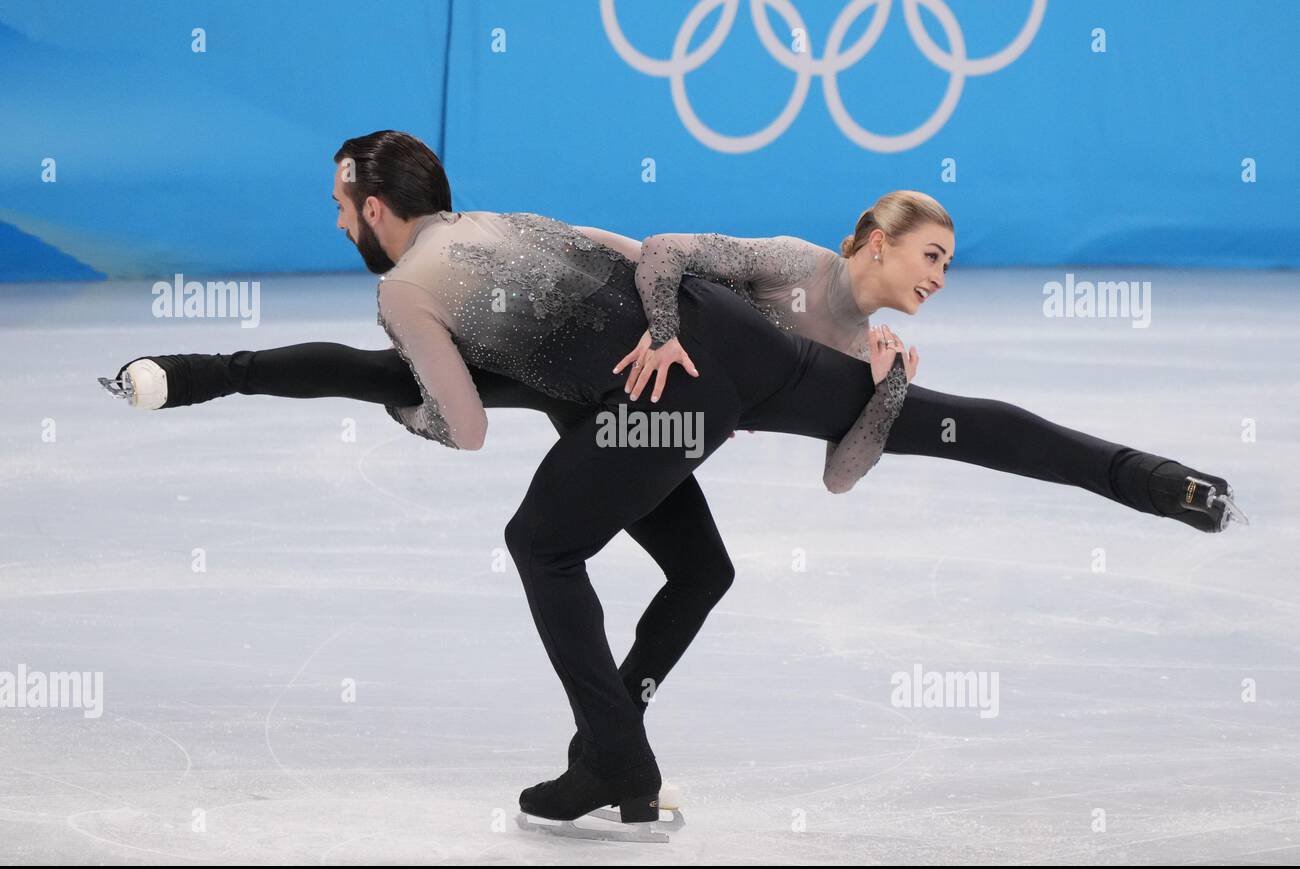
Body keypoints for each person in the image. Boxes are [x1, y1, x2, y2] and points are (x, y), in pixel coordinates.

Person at [100, 130, 1244, 826]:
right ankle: (1149, 478)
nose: (338, 218)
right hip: (723, 349)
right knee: (733, 540)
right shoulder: (498, 219)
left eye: (339, 204)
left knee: (540, 543)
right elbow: (619, 244)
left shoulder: (408, 290)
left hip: (659, 397)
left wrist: (416, 413)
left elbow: (458, 421)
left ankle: (618, 756)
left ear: (371, 208)